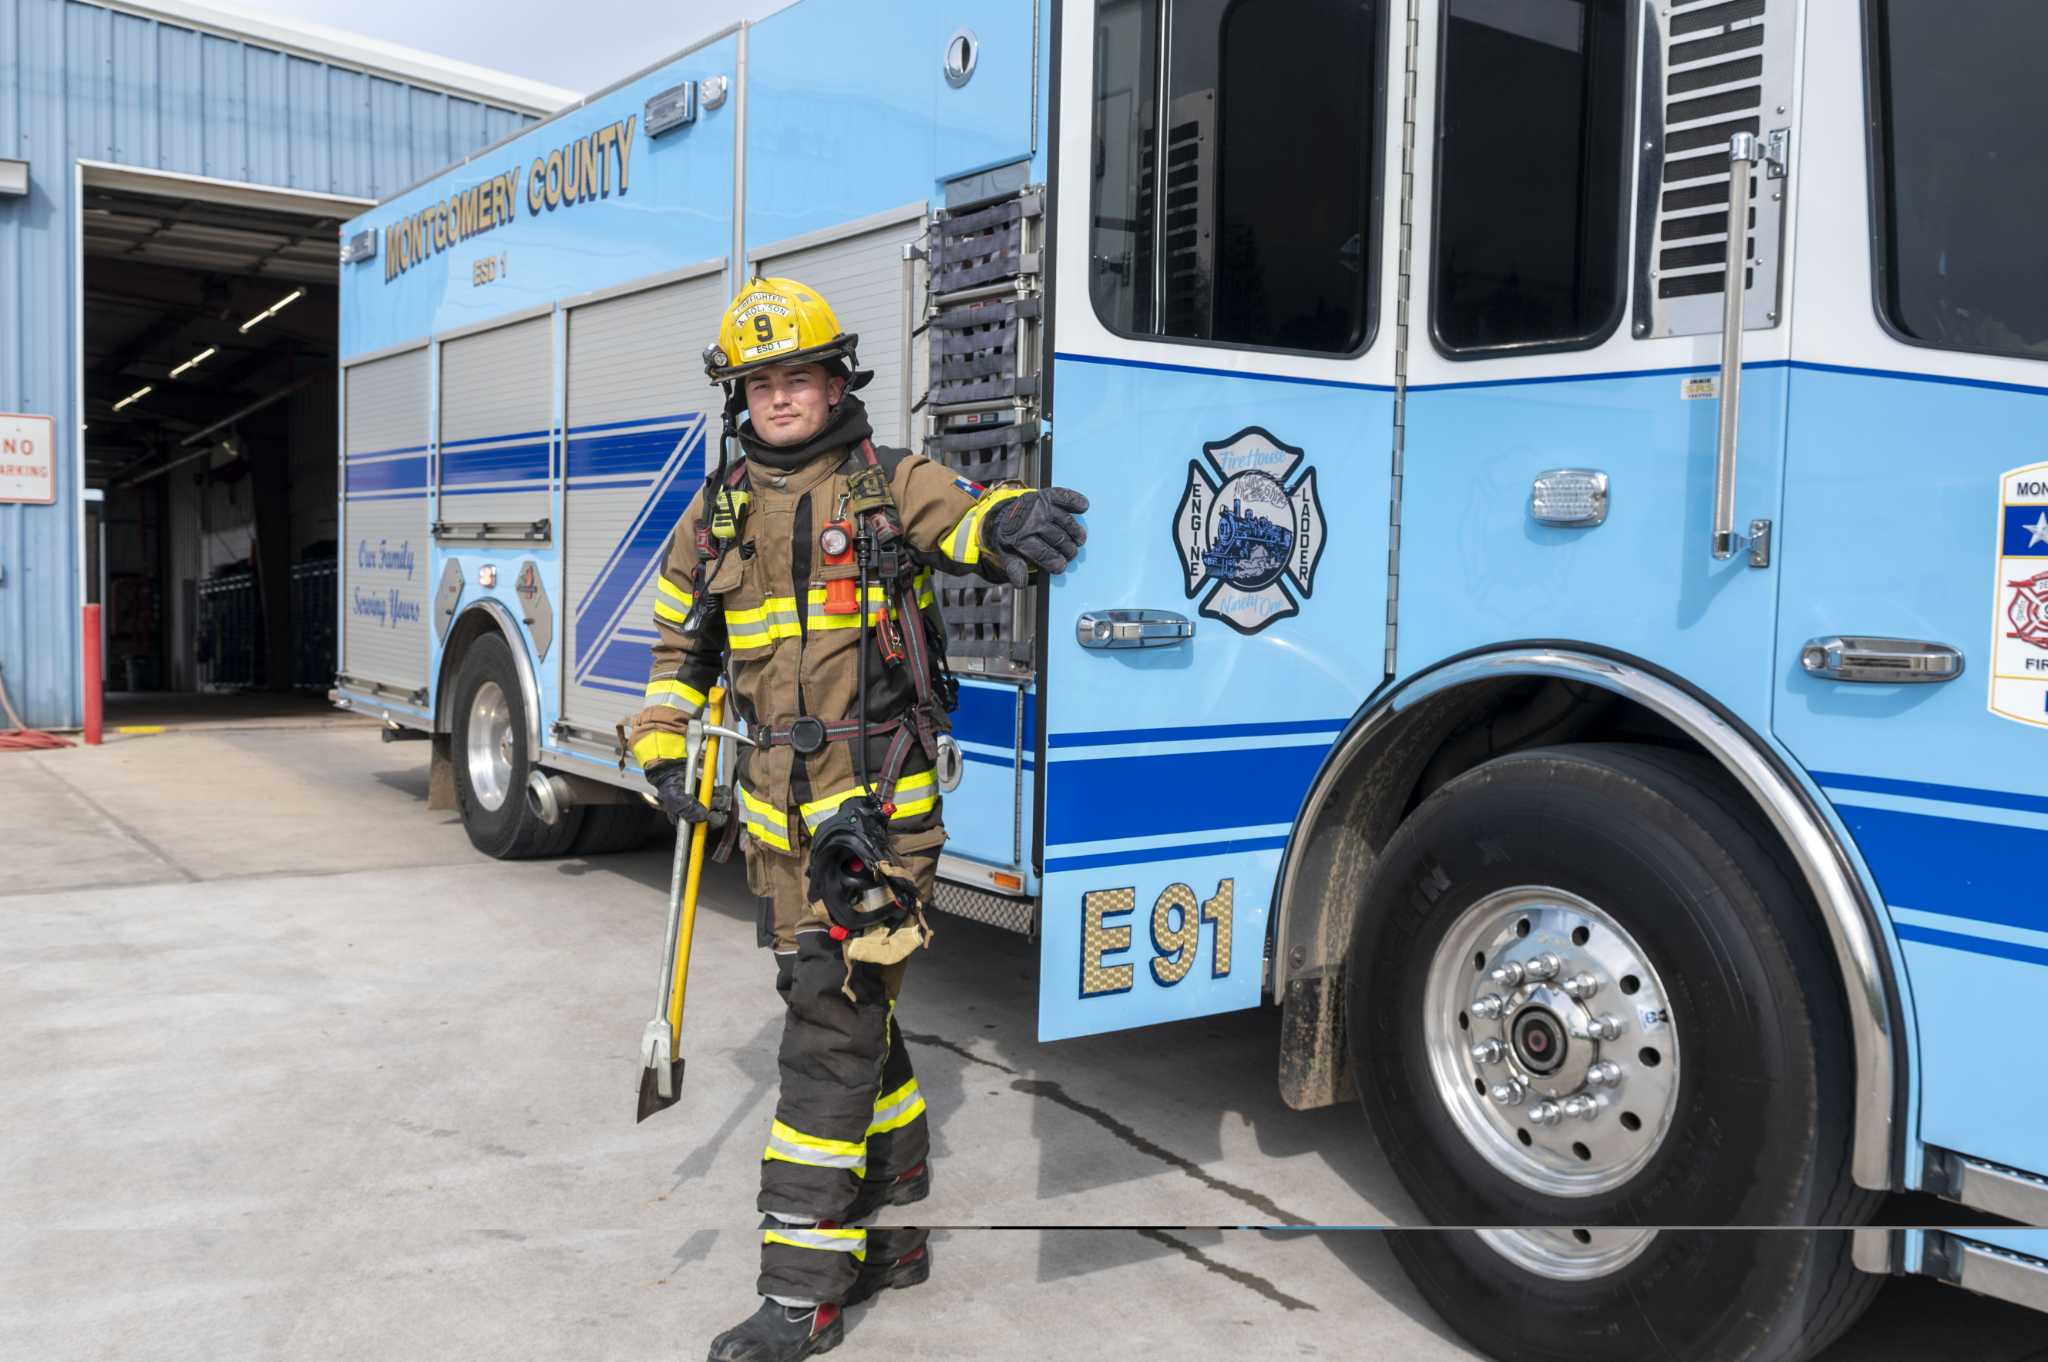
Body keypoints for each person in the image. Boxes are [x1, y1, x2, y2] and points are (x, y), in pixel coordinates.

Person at [628, 277, 1088, 1362]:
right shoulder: (716, 512)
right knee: (844, 1010)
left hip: (878, 827)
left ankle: (803, 1290)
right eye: (760, 384)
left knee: (825, 1041)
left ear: (837, 382)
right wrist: (661, 748)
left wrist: (1009, 518)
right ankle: (895, 1212)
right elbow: (677, 652)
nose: (780, 397)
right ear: (739, 399)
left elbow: (968, 520)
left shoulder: (888, 485)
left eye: (798, 376)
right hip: (775, 833)